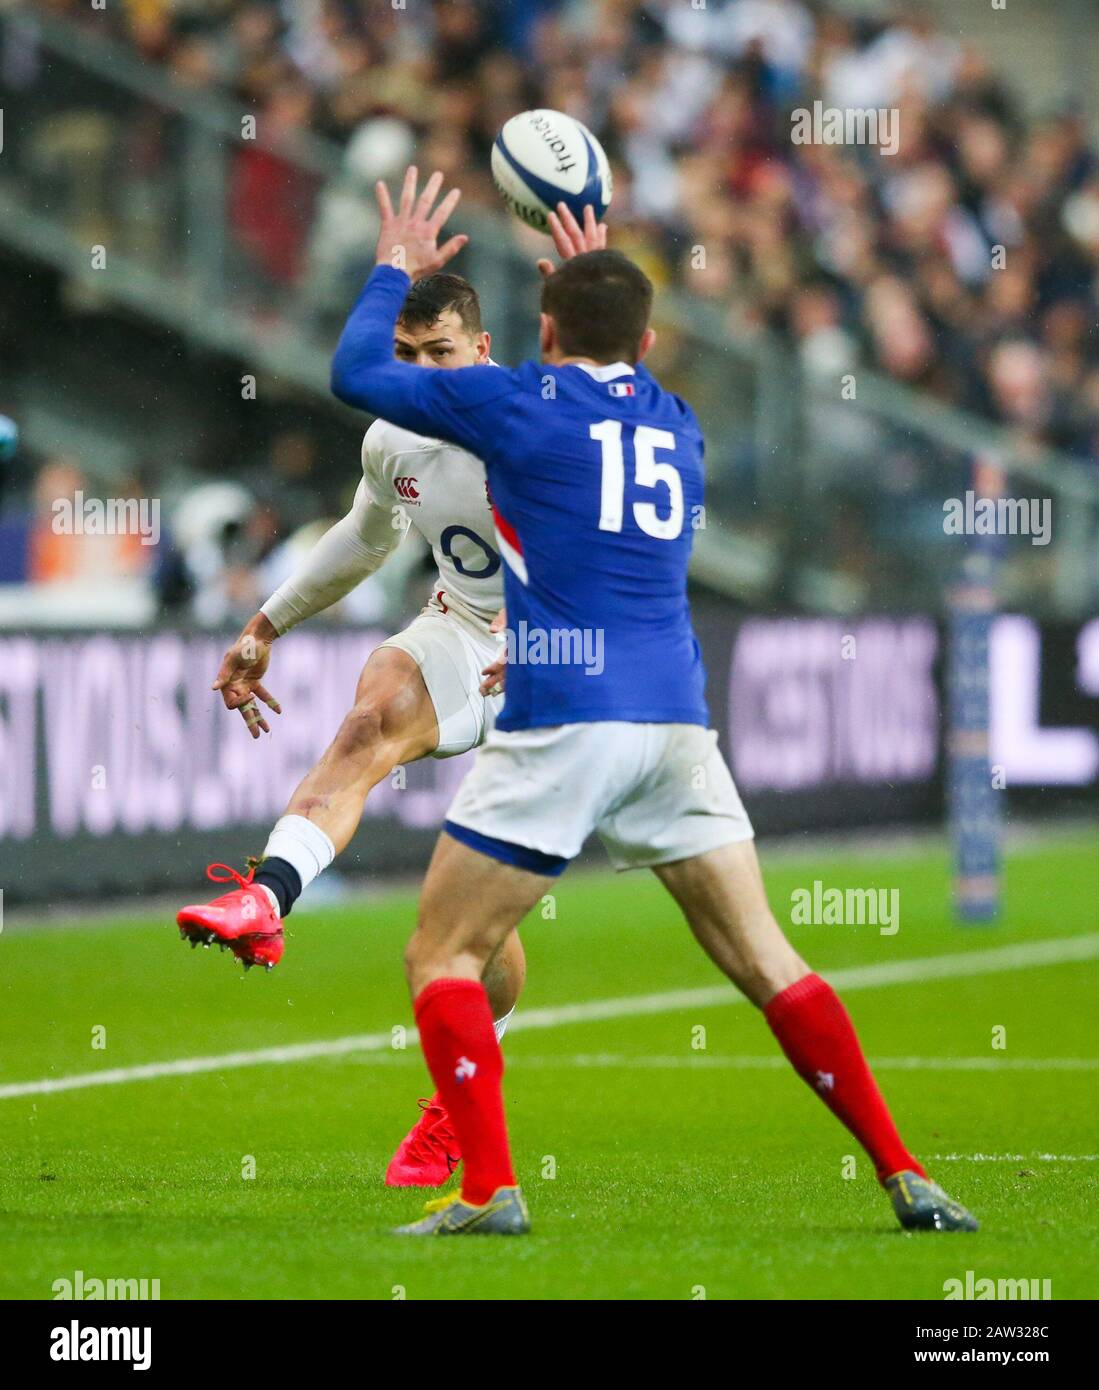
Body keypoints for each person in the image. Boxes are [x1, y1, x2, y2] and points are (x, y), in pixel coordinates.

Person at [326, 166, 978, 1237]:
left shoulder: (514, 402)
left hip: (565, 717)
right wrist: (592, 280)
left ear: (542, 330)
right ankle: (906, 1173)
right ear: (647, 341)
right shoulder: (679, 423)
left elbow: (357, 371)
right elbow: (611, 362)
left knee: (441, 955)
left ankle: (488, 1191)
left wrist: (394, 266)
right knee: (769, 961)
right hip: (676, 721)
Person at [176, 209, 608, 1186]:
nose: (420, 374)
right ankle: (266, 898)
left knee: (469, 925)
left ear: (482, 352)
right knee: (370, 710)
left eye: (439, 354)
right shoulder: (392, 439)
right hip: (462, 630)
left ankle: (461, 1094)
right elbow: (365, 539)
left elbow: (608, 535)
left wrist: (552, 635)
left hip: (562, 658)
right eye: (405, 356)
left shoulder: (536, 419)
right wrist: (266, 625)